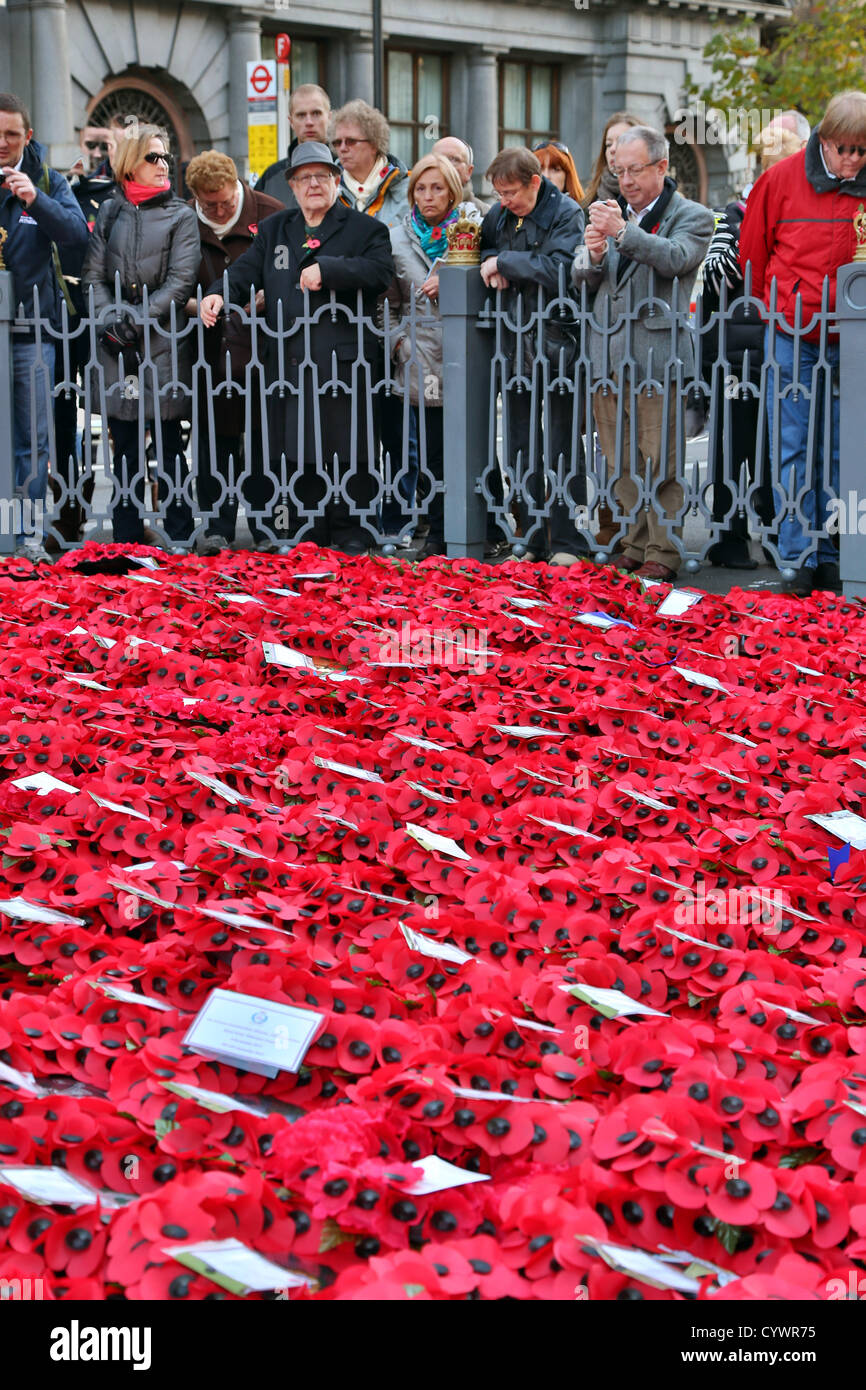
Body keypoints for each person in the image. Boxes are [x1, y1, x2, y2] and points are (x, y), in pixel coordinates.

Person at [199, 142, 394, 554]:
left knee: (349, 446)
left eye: (323, 176)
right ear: (292, 186)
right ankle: (308, 530)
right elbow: (245, 271)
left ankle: (353, 530)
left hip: (345, 361)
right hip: (288, 360)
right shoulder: (276, 230)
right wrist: (218, 294)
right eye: (305, 178)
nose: (314, 184)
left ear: (337, 182)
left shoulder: (365, 230)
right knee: (300, 445)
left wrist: (330, 270)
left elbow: (380, 273)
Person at [739, 89, 866, 594]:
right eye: (845, 149)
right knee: (792, 446)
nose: (853, 160)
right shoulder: (781, 179)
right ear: (824, 141)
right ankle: (798, 555)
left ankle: (835, 552)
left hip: (853, 334)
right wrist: (772, 307)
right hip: (793, 329)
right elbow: (753, 252)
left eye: (863, 151)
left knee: (841, 448)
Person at [573, 126, 714, 581]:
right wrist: (593, 256)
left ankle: (664, 550)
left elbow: (675, 258)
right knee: (620, 460)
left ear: (661, 166)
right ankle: (634, 541)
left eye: (635, 170)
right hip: (609, 355)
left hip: (658, 358)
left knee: (661, 459)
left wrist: (622, 232)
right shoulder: (610, 214)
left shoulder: (691, 215)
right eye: (620, 170)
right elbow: (584, 276)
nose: (626, 179)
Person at [82, 123, 200, 545]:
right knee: (126, 446)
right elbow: (92, 276)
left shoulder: (182, 215)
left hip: (163, 344)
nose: (163, 164)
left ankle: (180, 535)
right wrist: (109, 318)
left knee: (169, 445)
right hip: (116, 347)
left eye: (166, 156)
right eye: (153, 157)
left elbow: (180, 282)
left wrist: (132, 320)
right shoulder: (110, 212)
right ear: (131, 162)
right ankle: (128, 536)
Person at [698, 124, 805, 570]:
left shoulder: (794, 208)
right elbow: (714, 277)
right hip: (740, 349)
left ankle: (779, 530)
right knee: (734, 440)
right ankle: (733, 534)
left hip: (782, 343)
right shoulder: (733, 214)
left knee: (780, 442)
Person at [480, 147, 586, 563]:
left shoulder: (566, 213)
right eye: (499, 193)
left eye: (510, 192)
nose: (504, 201)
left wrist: (505, 261)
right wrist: (494, 260)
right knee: (521, 446)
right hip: (513, 340)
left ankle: (566, 541)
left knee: (560, 442)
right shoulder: (500, 215)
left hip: (555, 341)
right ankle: (532, 537)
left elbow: (561, 269)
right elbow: (482, 251)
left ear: (535, 182)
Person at [0, 92, 89, 558]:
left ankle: (20, 536)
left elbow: (77, 237)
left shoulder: (49, 180)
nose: (2, 142)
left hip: (30, 334)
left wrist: (36, 200)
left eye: (11, 134)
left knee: (31, 443)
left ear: (27, 136)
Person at [184, 151, 283, 553]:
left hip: (262, 346)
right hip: (206, 346)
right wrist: (200, 303)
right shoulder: (184, 221)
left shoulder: (271, 213)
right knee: (212, 437)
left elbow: (286, 270)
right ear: (195, 197)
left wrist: (264, 296)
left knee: (262, 435)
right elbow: (176, 278)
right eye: (210, 205)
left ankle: (265, 524)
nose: (220, 209)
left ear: (239, 185)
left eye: (226, 201)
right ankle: (216, 526)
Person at [385, 153, 483, 555]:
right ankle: (436, 534)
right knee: (429, 452)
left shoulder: (473, 228)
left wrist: (455, 280)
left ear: (452, 191)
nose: (428, 196)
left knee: (466, 449)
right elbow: (386, 301)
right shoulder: (395, 236)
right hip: (419, 353)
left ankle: (472, 531)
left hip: (464, 352)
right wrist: (396, 342)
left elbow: (490, 286)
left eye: (437, 188)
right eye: (421, 188)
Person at [50, 126, 117, 548]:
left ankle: (130, 508)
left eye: (102, 146)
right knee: (62, 415)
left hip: (110, 320)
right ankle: (67, 512)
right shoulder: (58, 188)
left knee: (120, 416)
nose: (94, 153)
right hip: (62, 316)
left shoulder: (122, 194)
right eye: (88, 145)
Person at [331, 100, 409, 226]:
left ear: (374, 144)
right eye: (337, 142)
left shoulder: (409, 189)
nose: (342, 148)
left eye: (351, 141)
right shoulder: (327, 189)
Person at [257, 84, 332, 210]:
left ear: (329, 117)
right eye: (301, 115)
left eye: (316, 113)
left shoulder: (347, 172)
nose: (309, 122)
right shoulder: (271, 178)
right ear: (291, 122)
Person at [583, 111, 642, 210]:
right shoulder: (589, 203)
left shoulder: (655, 200)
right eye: (608, 144)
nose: (612, 149)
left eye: (621, 141)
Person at [432, 136, 490, 215]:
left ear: (468, 171)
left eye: (454, 159)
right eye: (439, 159)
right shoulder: (415, 214)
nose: (446, 165)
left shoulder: (486, 215)